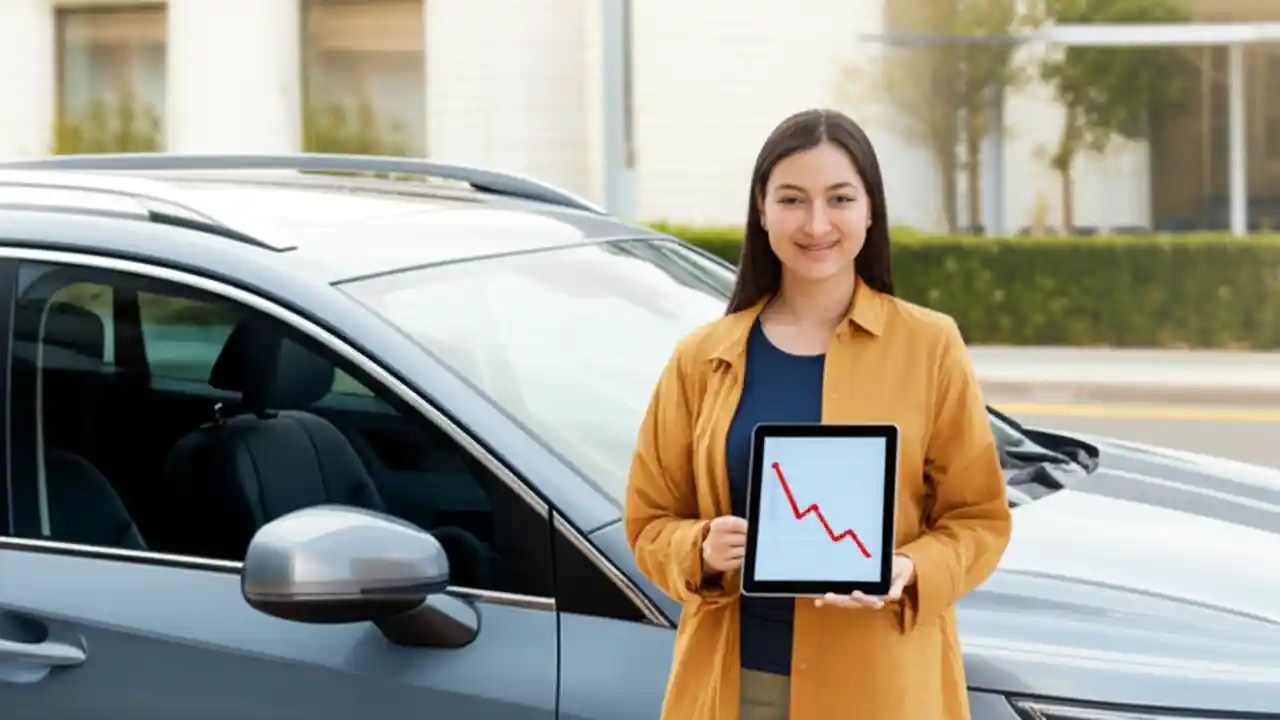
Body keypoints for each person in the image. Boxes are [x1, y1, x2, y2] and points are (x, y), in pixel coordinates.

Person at [623, 108, 1013, 720]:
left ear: (870, 210)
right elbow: (648, 523)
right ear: (760, 208)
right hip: (738, 685)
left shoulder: (929, 345)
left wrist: (911, 569)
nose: (816, 223)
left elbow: (980, 520)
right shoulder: (701, 357)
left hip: (881, 691)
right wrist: (698, 546)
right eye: (792, 199)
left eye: (839, 198)